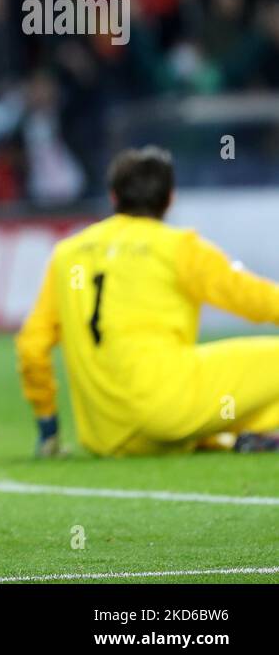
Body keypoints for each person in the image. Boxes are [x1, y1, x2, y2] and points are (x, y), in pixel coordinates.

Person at [16, 146, 279, 458]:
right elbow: (256, 300)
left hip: (106, 437)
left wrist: (48, 426)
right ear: (170, 199)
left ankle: (229, 438)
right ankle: (237, 432)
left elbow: (31, 345)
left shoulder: (67, 254)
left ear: (114, 197)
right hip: (169, 409)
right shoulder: (179, 248)